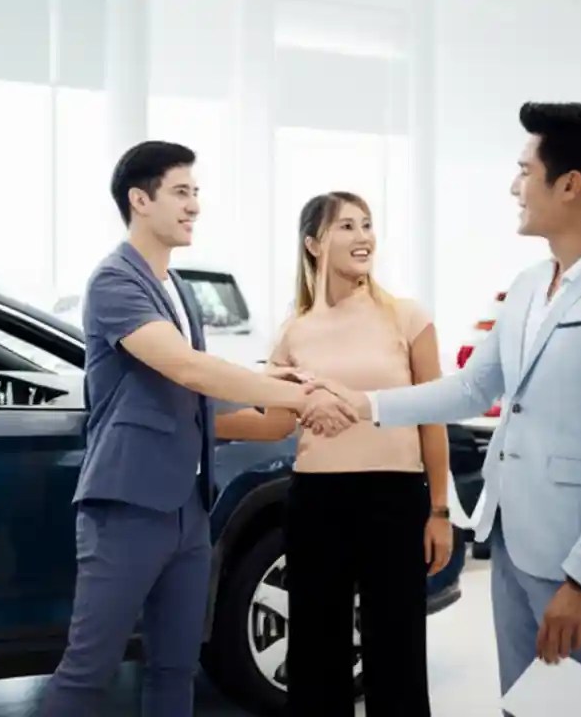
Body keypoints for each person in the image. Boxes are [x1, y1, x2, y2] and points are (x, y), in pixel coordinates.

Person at [304, 103, 581, 705]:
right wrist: (362, 404)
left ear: (569, 185)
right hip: (513, 541)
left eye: (523, 170)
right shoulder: (532, 283)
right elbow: (471, 388)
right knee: (526, 704)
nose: (514, 186)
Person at [37, 140, 357, 717]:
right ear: (140, 199)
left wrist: (281, 392)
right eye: (181, 192)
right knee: (88, 671)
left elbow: (191, 402)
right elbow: (185, 367)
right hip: (126, 506)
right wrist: (290, 393)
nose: (195, 206)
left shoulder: (179, 289)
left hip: (188, 508)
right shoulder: (114, 281)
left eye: (196, 192)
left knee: (175, 668)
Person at [216, 191, 453, 716]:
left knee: (397, 649)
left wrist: (439, 510)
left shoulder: (407, 318)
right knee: (317, 649)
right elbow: (276, 421)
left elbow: (431, 415)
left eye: (367, 224)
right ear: (314, 244)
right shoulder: (294, 332)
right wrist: (199, 422)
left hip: (394, 497)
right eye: (347, 226)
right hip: (317, 499)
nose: (363, 236)